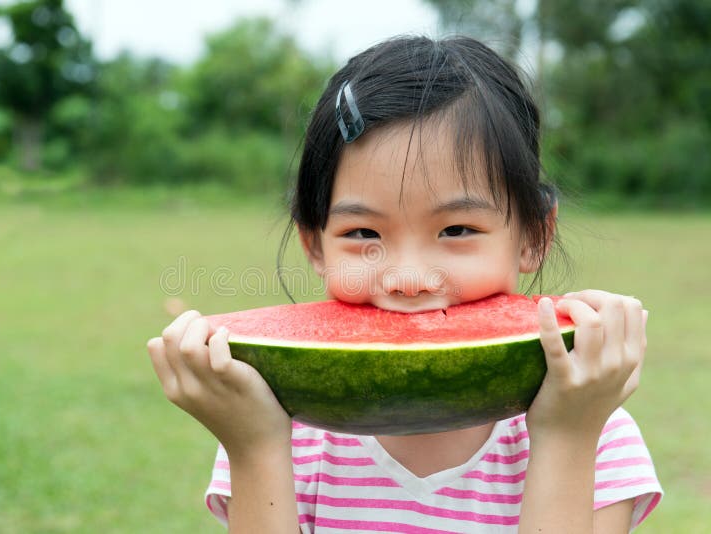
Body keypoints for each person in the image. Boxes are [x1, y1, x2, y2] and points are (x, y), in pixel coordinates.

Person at [146, 36, 662, 533]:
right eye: (363, 233)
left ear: (533, 236)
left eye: (457, 230)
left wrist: (567, 436)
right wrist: (254, 447)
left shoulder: (597, 432)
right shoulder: (272, 428)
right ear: (315, 245)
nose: (408, 278)